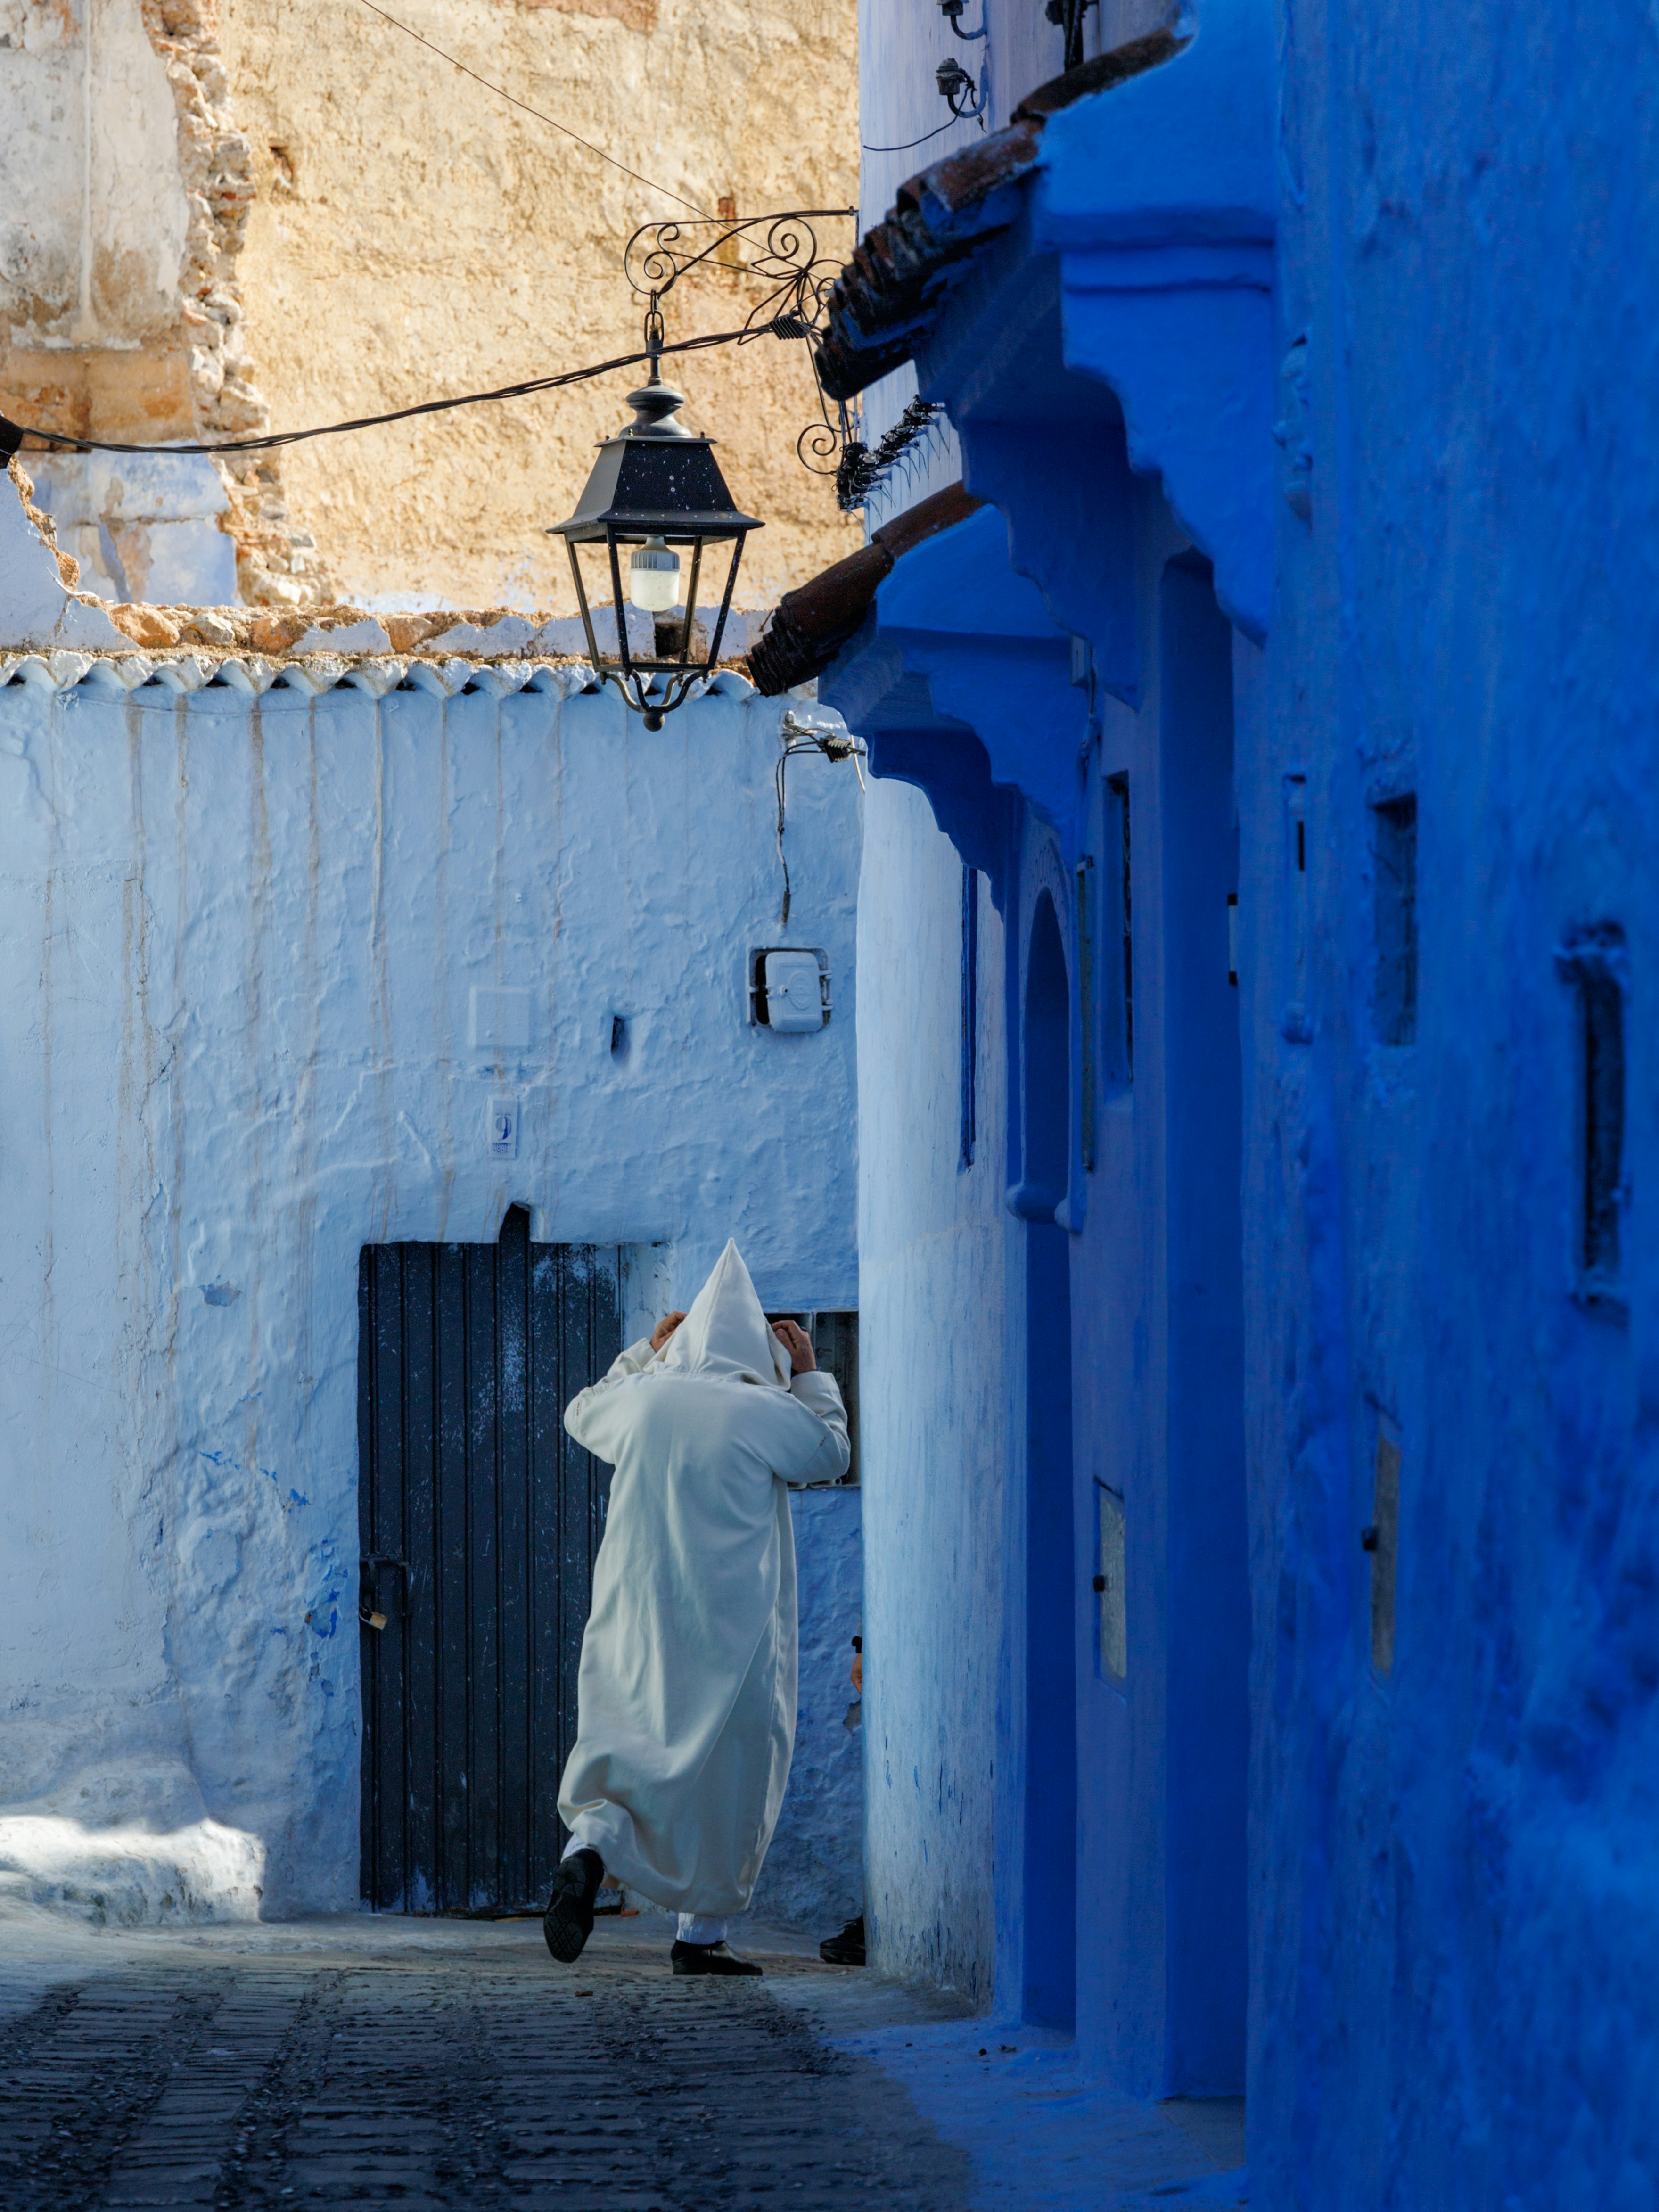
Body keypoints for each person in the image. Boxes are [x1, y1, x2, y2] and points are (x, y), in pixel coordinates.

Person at [542, 1240, 850, 1976]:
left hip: (637, 1616)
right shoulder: (758, 1407)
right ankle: (701, 1934)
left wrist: (648, 1355)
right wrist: (808, 1370)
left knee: (628, 1749)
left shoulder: (642, 1399)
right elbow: (830, 1451)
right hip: (730, 1633)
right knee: (729, 1769)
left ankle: (587, 1851)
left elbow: (582, 1412)